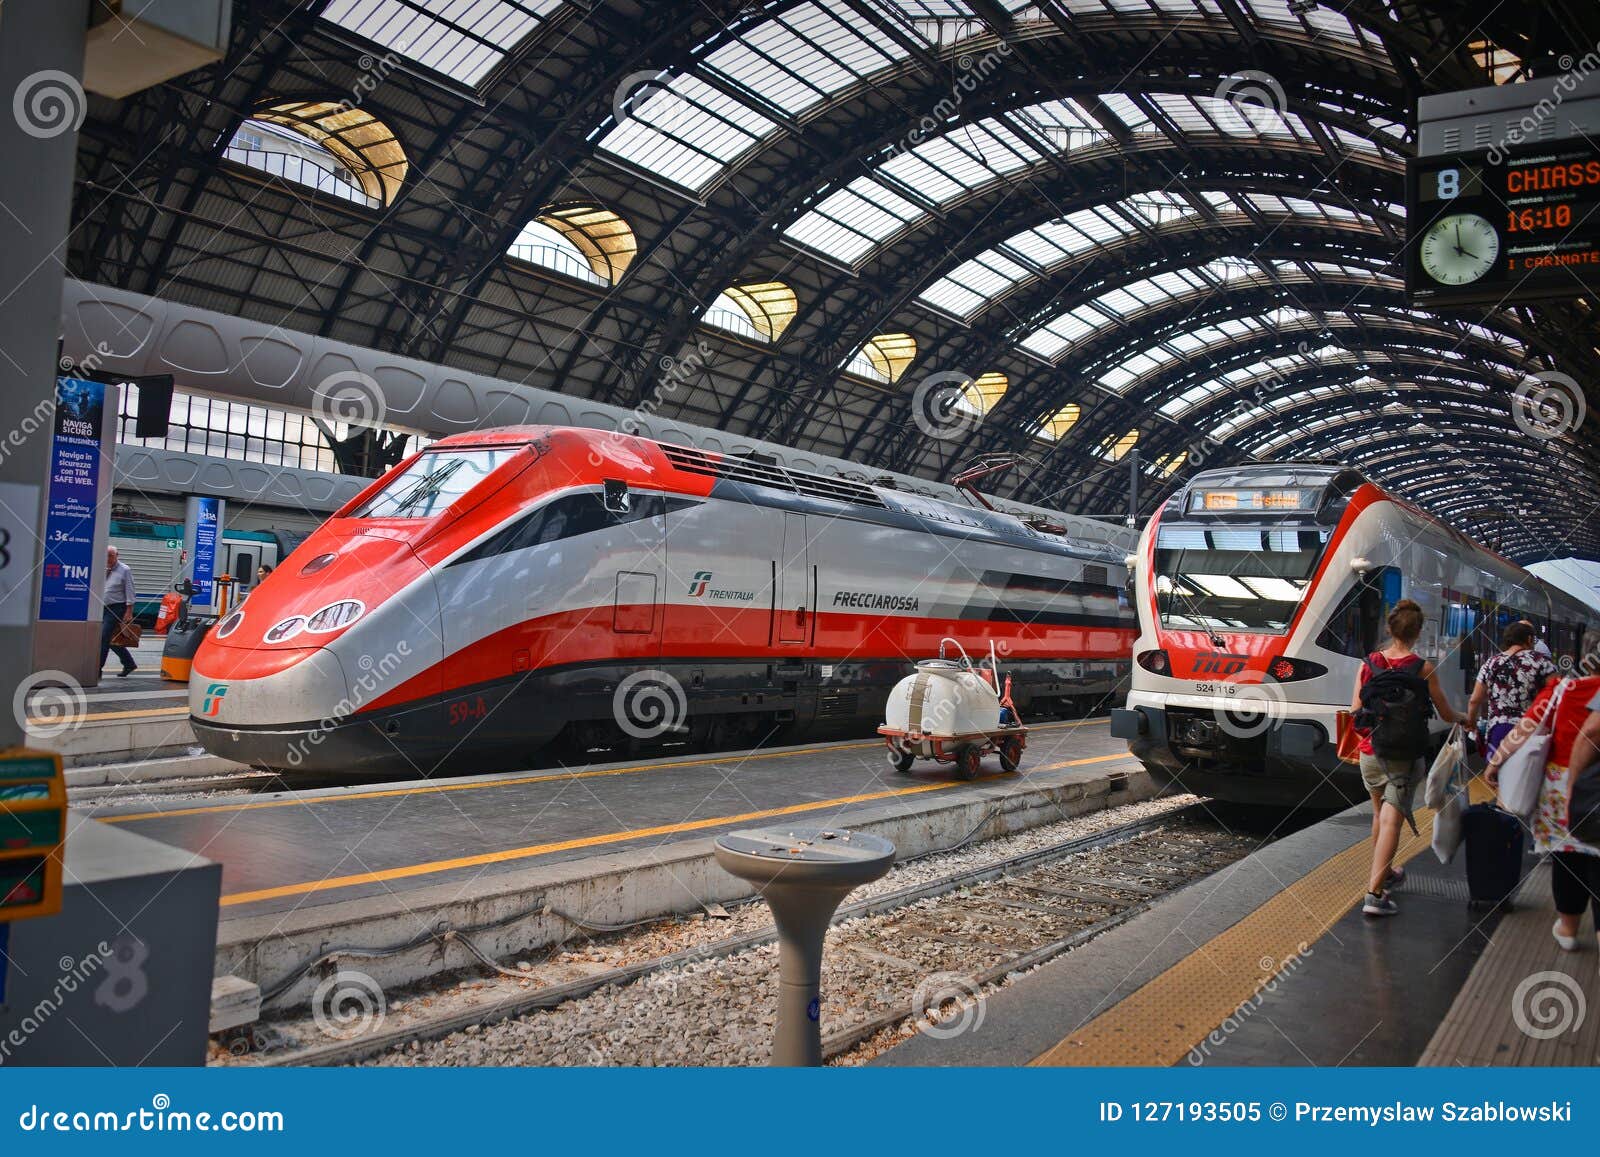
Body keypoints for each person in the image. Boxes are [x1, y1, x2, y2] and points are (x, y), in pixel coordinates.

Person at [1350, 598, 1460, 916]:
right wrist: (1463, 717)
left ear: (1390, 628)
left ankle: (1385, 874)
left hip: (1371, 752)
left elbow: (1355, 709)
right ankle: (1375, 894)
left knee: (1379, 816)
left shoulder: (1368, 663)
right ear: (1418, 632)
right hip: (1405, 758)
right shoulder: (1423, 668)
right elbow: (1446, 713)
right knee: (1391, 822)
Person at [1488, 676, 1600, 955]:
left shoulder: (1563, 688)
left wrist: (1496, 761)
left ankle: (1568, 929)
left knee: (1567, 858)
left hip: (1562, 788)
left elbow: (1525, 728)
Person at [1466, 621, 1558, 759]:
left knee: (1496, 770)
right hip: (1530, 730)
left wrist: (1472, 723)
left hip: (1498, 730)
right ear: (1529, 639)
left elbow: (1474, 700)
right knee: (1527, 771)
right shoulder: (1542, 662)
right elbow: (1557, 695)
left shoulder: (1491, 663)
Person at [100, 545, 138, 677]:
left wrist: (129, 611)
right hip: (102, 607)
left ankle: (97, 669)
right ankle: (129, 664)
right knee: (111, 638)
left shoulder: (125, 570)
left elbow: (130, 590)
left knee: (103, 637)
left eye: (110, 556)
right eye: (106, 555)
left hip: (116, 607)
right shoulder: (101, 567)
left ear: (117, 555)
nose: (108, 558)